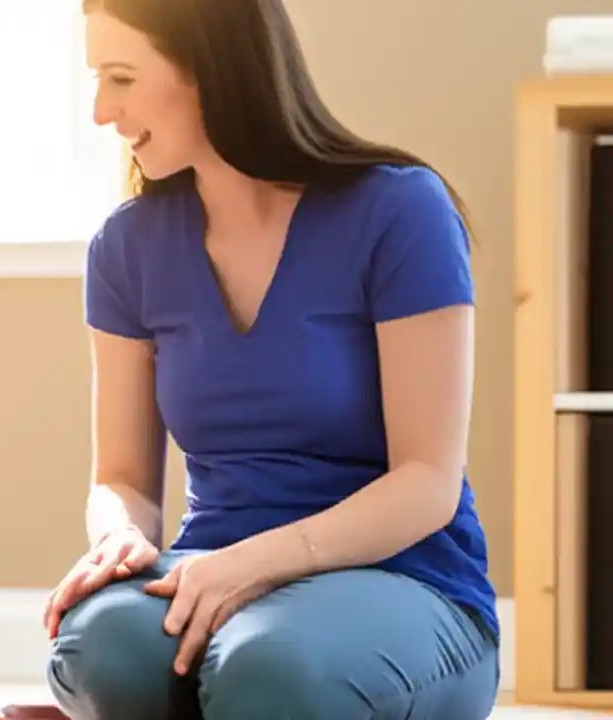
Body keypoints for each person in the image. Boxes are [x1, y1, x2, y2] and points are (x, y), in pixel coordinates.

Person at [41, 1, 499, 718]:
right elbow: (123, 478)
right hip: (210, 566)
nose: (102, 111)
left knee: (268, 668)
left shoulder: (401, 209)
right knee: (101, 646)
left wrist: (252, 566)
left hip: (405, 578)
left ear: (211, 70)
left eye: (122, 78)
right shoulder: (126, 248)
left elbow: (426, 483)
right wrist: (120, 534)